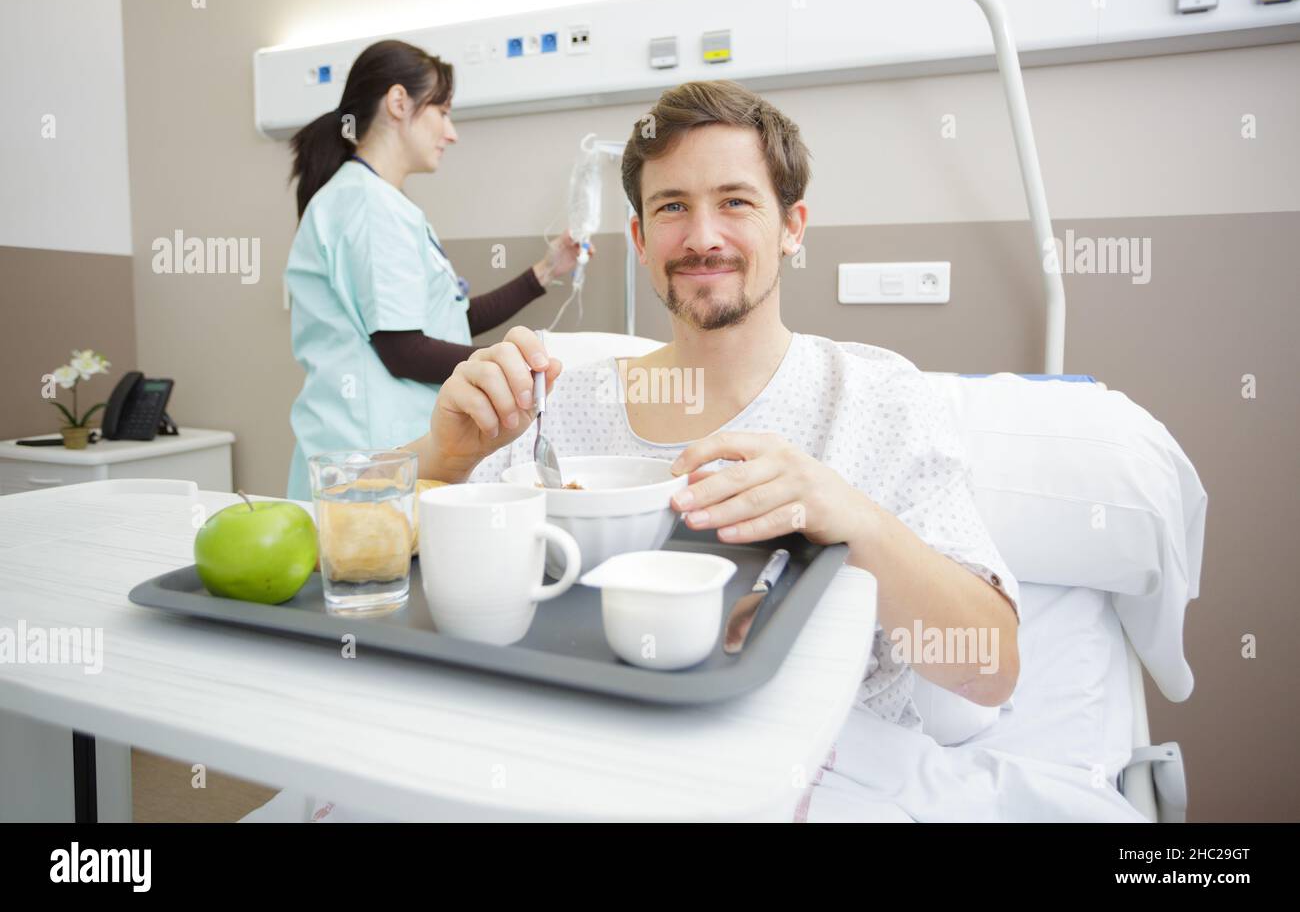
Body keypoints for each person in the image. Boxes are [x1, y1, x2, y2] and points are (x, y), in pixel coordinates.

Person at [273, 79, 1020, 823]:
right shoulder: (563, 405)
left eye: (735, 201)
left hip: (814, 773)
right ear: (638, 238)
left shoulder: (876, 401)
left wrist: (853, 519)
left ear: (792, 226)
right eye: (672, 207)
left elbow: (989, 671)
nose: (701, 236)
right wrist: (445, 456)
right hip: (572, 755)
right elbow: (354, 554)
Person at [282, 39, 583, 500]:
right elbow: (402, 349)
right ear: (399, 102)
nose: (451, 131)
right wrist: (514, 369)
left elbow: (449, 323)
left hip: (385, 457)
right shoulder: (366, 204)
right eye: (442, 111)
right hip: (365, 462)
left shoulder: (379, 203)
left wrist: (546, 270)